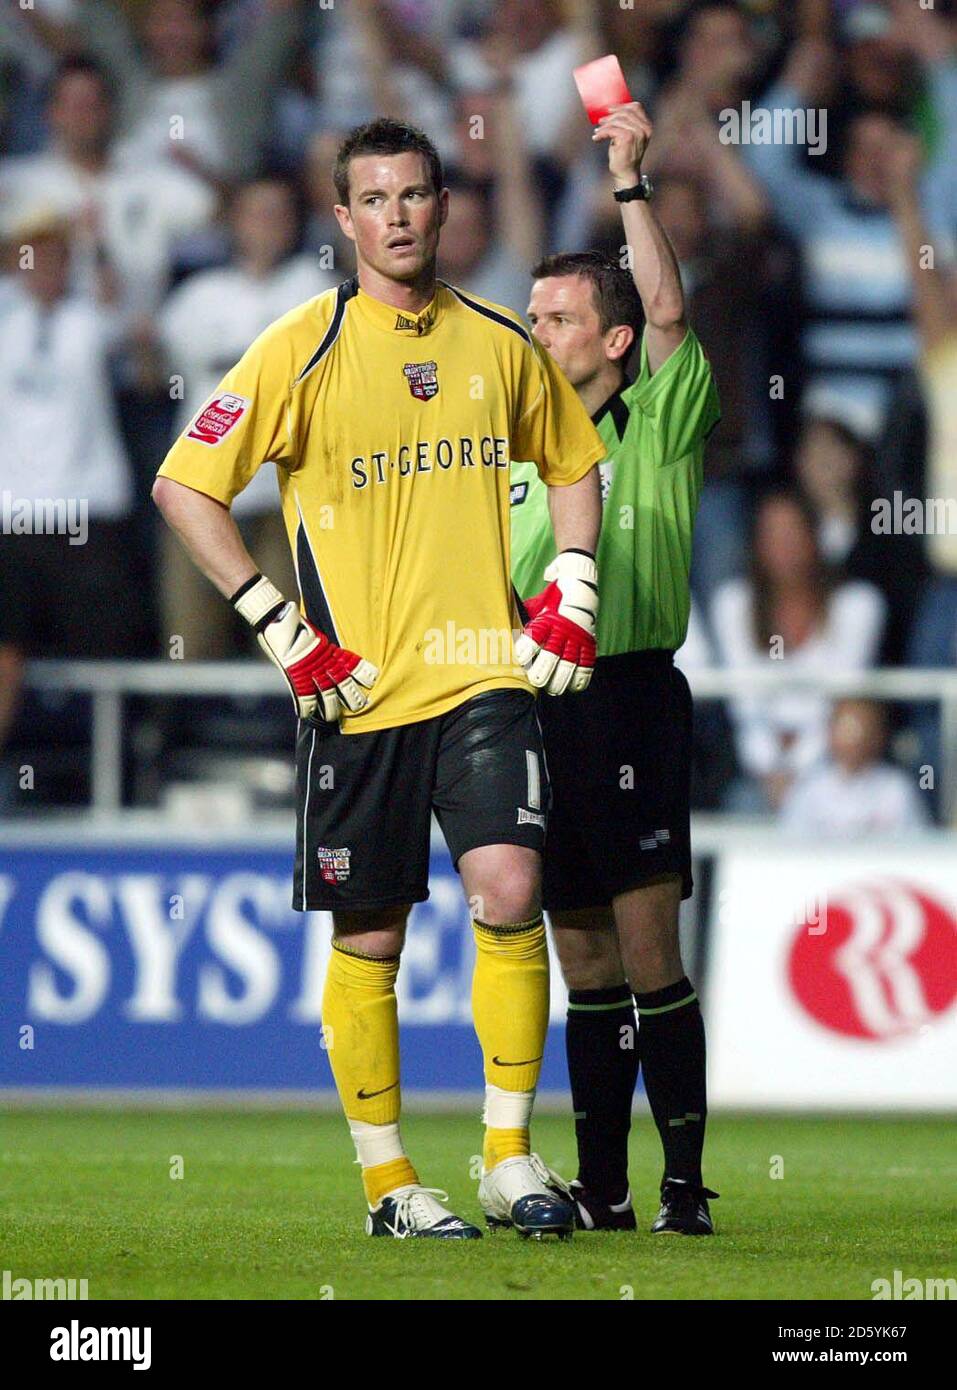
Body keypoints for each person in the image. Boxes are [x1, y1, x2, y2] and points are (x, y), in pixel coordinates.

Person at [152, 118, 605, 1240]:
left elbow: (576, 462)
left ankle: (508, 1156)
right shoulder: (298, 348)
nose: (398, 215)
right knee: (373, 940)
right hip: (356, 694)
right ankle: (390, 1185)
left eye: (417, 194)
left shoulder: (502, 342)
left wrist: (578, 587)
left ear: (444, 207)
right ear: (343, 217)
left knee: (509, 890)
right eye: (376, 198)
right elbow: (182, 486)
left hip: (483, 677)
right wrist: (276, 624)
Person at [510, 100, 721, 1235]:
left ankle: (684, 1184)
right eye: (533, 313)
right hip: (543, 708)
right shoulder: (513, 452)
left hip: (634, 696)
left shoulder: (661, 419)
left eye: (558, 317)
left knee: (649, 954)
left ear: (615, 338)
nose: (536, 331)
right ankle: (604, 1189)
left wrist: (629, 181)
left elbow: (675, 308)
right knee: (584, 961)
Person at [780, 698, 928, 839]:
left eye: (861, 729)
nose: (853, 739)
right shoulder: (810, 787)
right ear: (830, 733)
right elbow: (790, 844)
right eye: (845, 729)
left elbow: (916, 846)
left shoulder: (896, 788)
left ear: (878, 737)